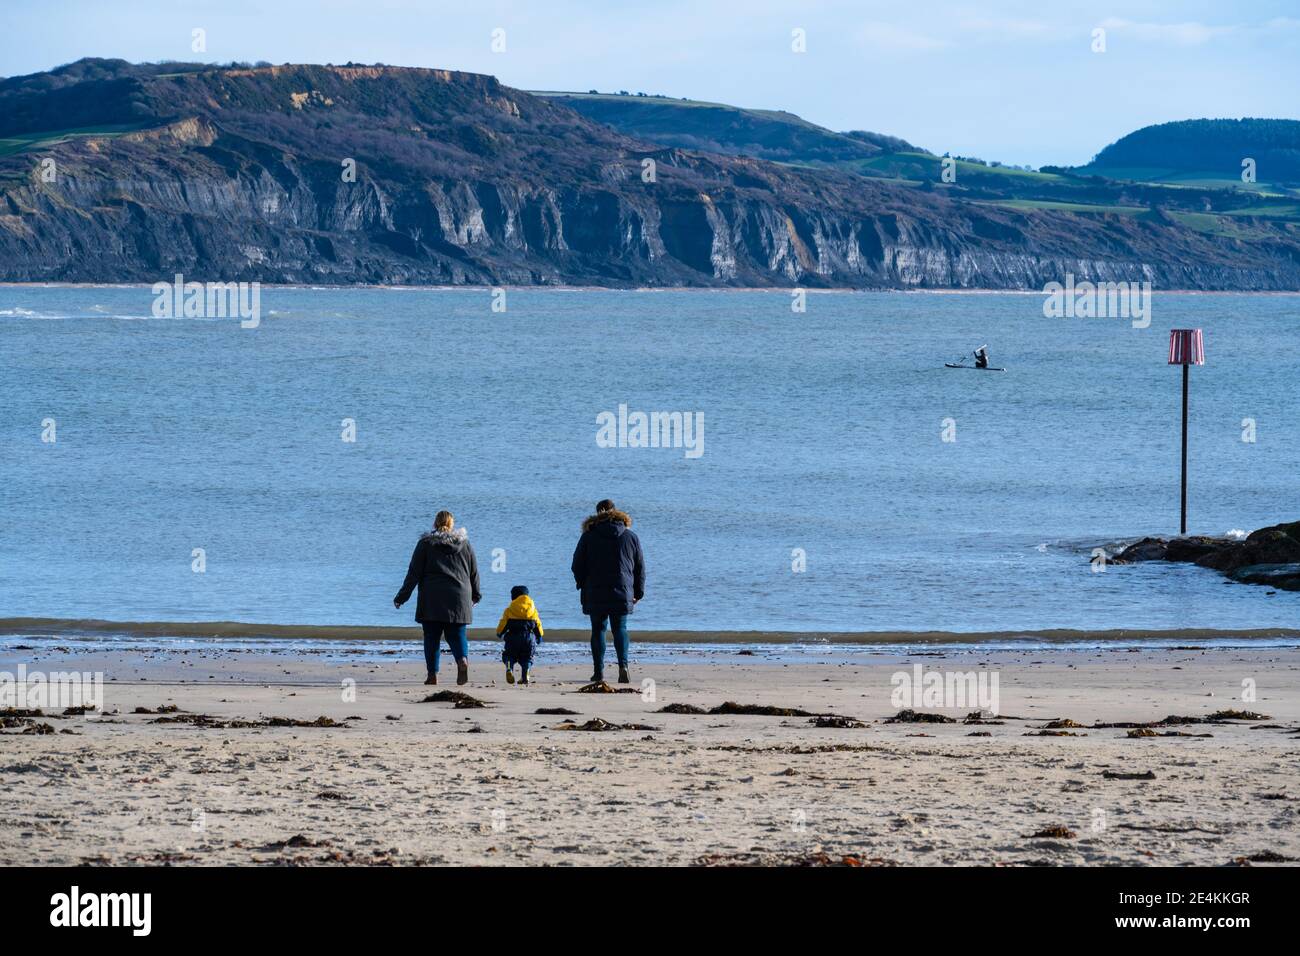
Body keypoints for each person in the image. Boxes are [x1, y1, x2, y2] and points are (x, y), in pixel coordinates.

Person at [393, 510, 481, 686]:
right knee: (457, 634)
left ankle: (432, 675)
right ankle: (462, 660)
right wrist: (476, 595)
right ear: (452, 524)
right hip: (459, 597)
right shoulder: (465, 544)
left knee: (431, 637)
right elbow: (474, 572)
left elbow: (414, 573)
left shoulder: (426, 543)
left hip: (432, 598)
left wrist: (402, 597)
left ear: (435, 523)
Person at [571, 499, 645, 684]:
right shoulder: (631, 536)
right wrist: (638, 592)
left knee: (598, 630)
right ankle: (623, 666)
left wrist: (582, 584)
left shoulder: (588, 536)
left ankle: (599, 672)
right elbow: (640, 568)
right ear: (616, 512)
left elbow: (576, 565)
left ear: (597, 514)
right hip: (622, 591)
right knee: (620, 629)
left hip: (595, 591)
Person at [496, 585, 545, 685]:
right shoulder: (532, 610)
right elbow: (538, 624)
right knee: (527, 657)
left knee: (509, 655)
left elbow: (503, 623)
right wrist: (539, 636)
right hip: (528, 639)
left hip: (512, 638)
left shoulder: (509, 610)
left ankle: (509, 668)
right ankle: (525, 674)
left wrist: (499, 633)